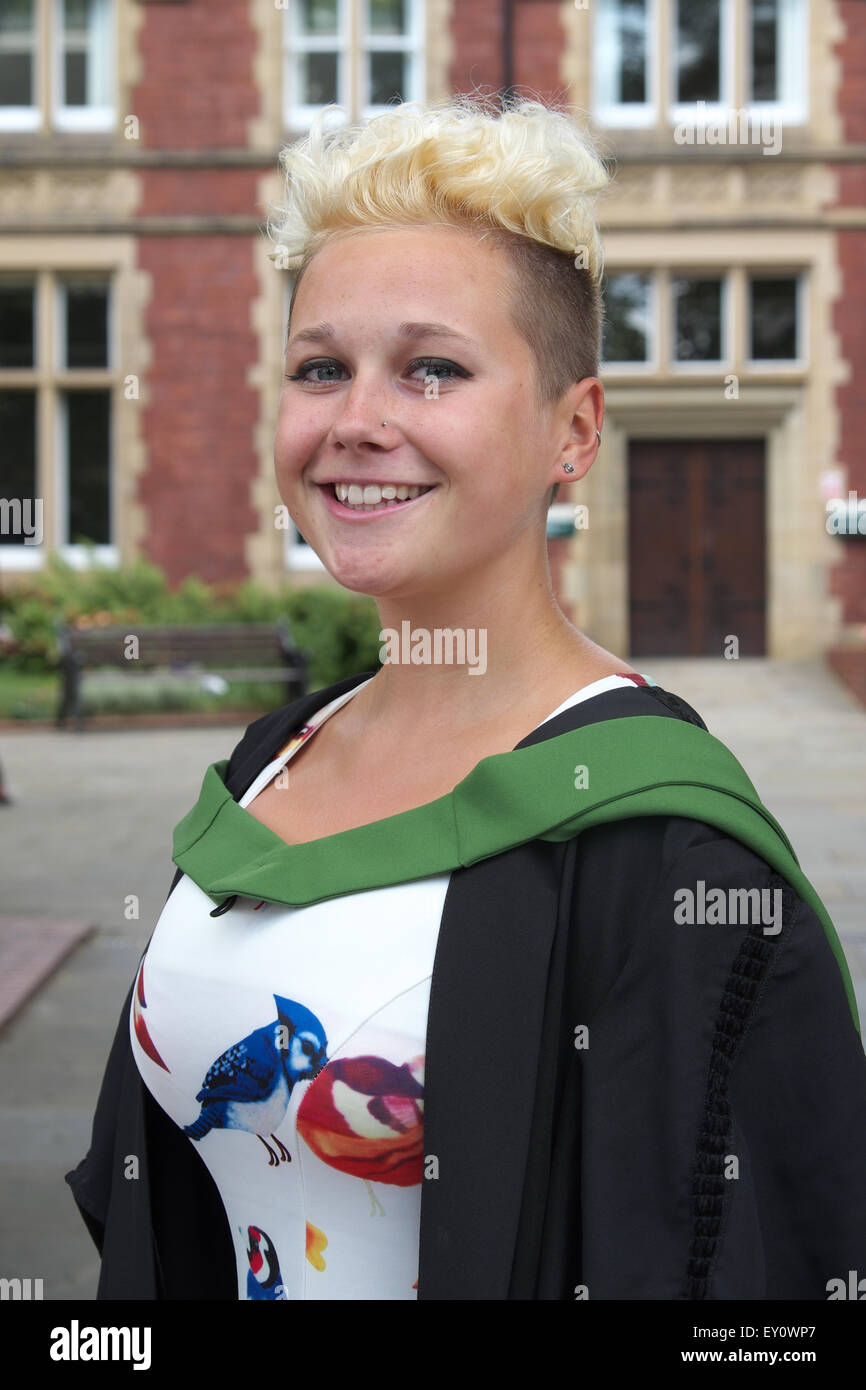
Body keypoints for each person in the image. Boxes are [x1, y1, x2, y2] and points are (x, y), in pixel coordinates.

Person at [67, 94, 866, 1301]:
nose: (355, 422)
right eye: (319, 368)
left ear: (573, 430)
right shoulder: (272, 760)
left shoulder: (660, 848)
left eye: (430, 368)